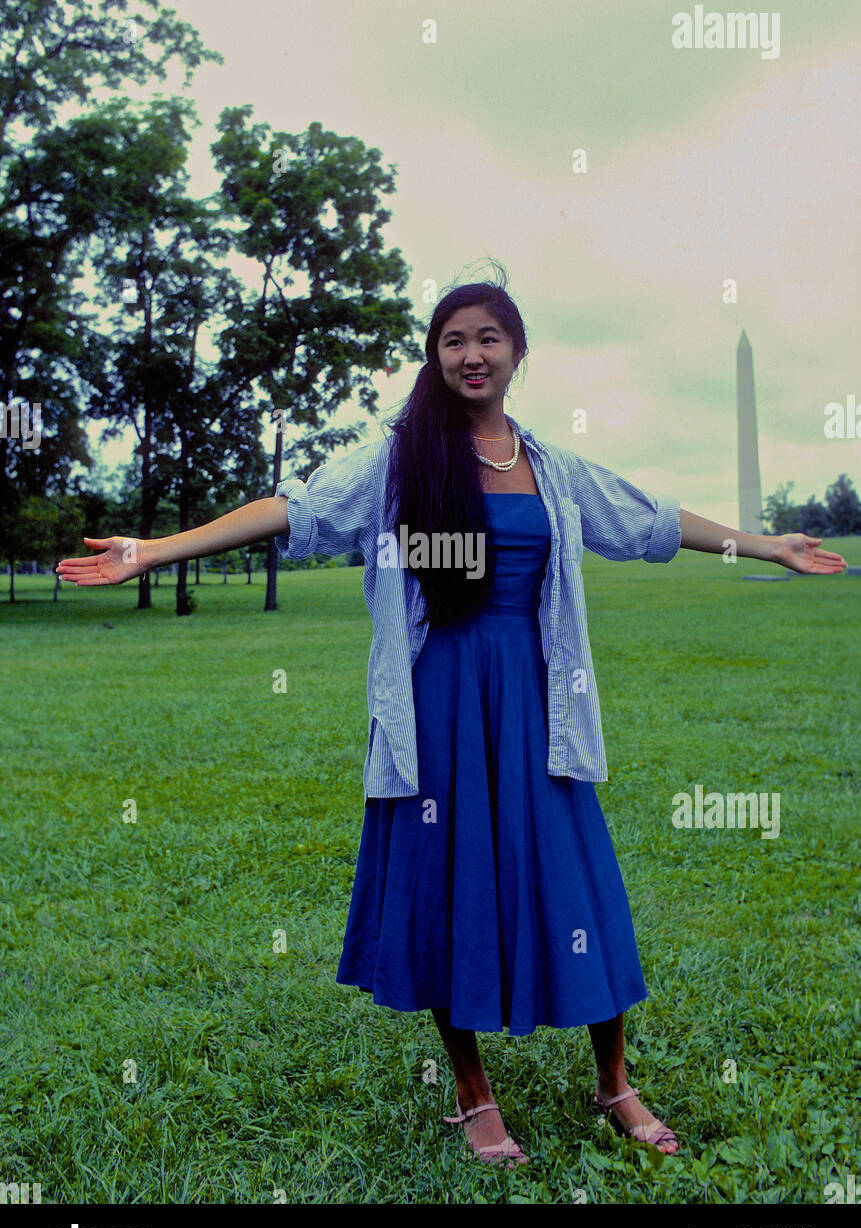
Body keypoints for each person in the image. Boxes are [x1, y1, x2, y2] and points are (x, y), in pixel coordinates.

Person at [56, 273, 847, 1172]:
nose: (470, 355)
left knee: (575, 879)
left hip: (539, 701)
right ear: (435, 358)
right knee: (446, 878)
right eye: (451, 341)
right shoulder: (401, 456)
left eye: (487, 339)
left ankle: (615, 1082)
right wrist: (155, 548)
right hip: (438, 700)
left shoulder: (546, 465)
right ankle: (471, 1092)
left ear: (516, 353)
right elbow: (299, 509)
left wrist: (766, 542)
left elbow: (646, 520)